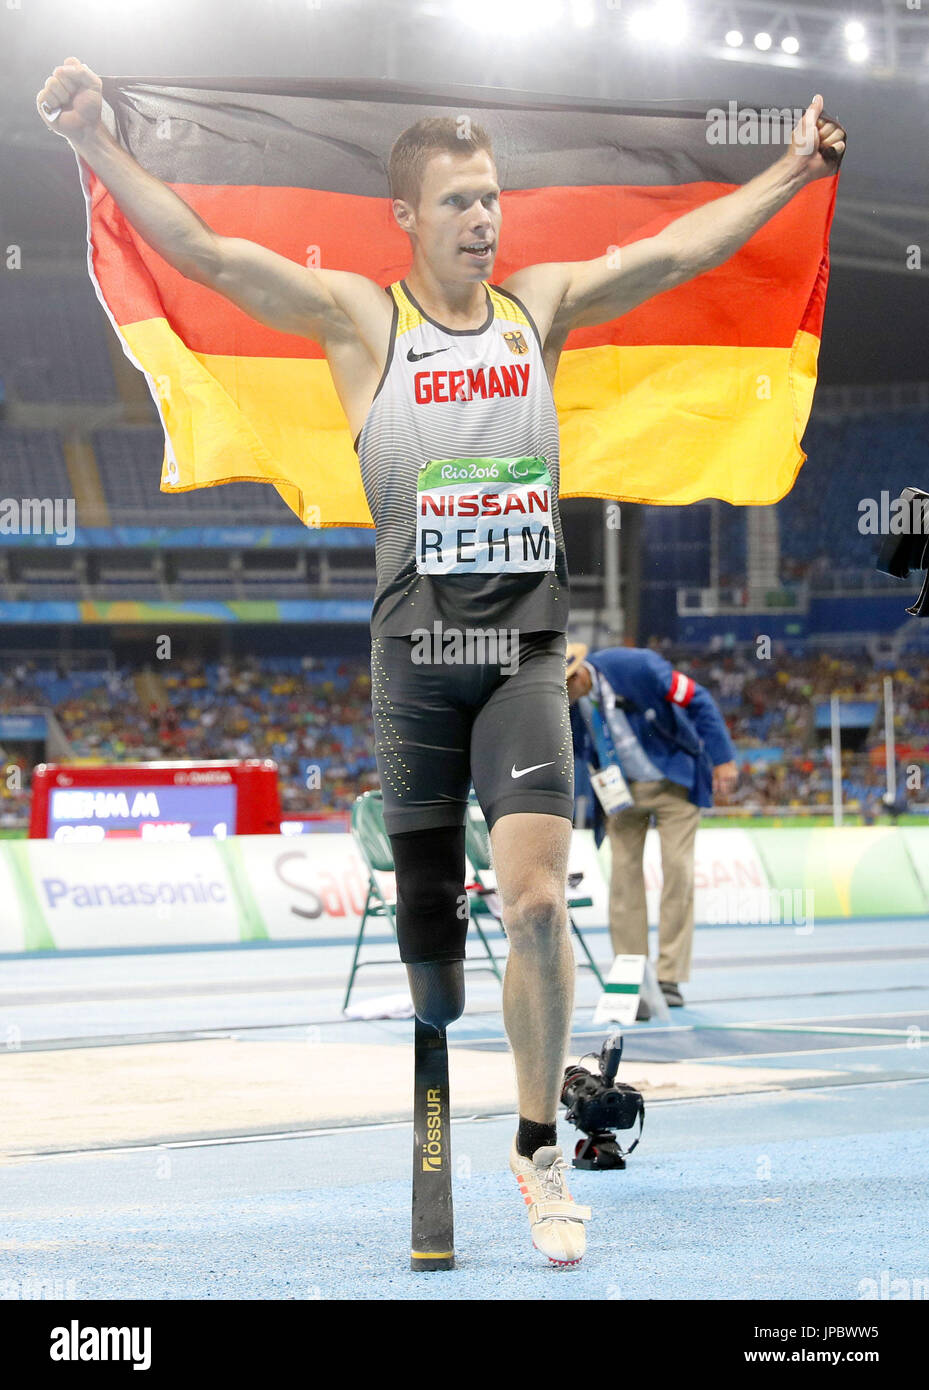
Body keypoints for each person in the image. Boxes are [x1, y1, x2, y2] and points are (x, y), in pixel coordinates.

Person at [36, 58, 844, 1266]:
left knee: (530, 907)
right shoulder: (364, 319)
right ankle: (432, 1008)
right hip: (415, 663)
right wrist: (95, 144)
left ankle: (534, 1148)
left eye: (492, 200)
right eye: (459, 202)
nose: (483, 219)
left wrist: (789, 166)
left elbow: (676, 253)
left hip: (521, 658)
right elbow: (204, 253)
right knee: (432, 964)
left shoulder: (540, 305)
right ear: (407, 218)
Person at [566, 643, 739, 1015]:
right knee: (624, 881)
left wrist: (723, 759)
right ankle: (634, 978)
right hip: (620, 792)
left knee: (677, 871)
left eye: (564, 686)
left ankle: (669, 977)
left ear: (578, 675)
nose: (561, 695)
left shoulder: (638, 667)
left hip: (674, 782)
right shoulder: (566, 703)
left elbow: (699, 700)